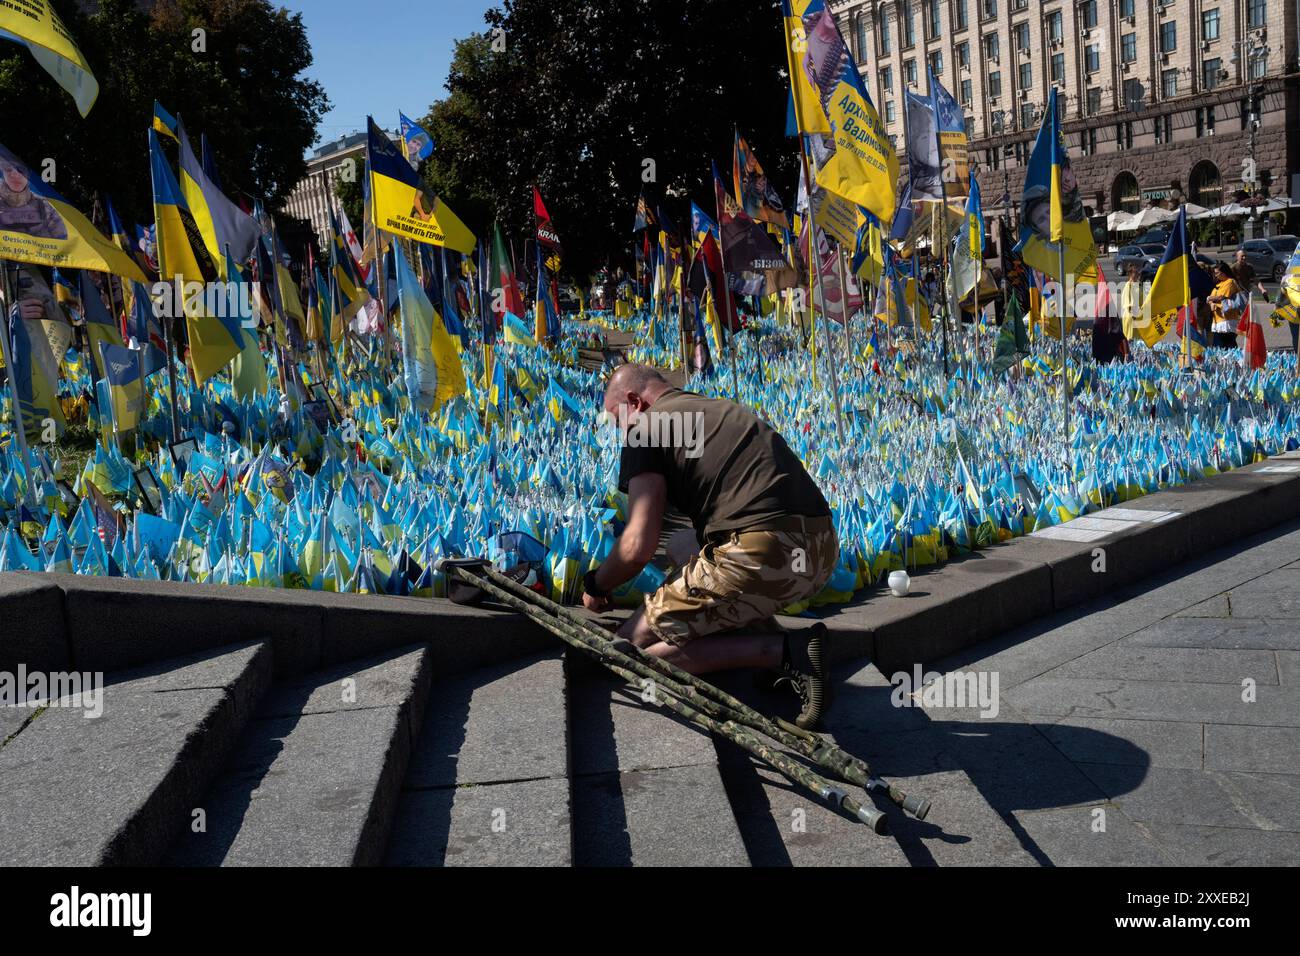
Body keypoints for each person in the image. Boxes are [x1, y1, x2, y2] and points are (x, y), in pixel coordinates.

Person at [583, 364, 839, 728]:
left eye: (615, 419)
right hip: (820, 553)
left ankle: (784, 653)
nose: (618, 430)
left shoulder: (645, 429)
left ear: (635, 402)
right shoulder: (719, 408)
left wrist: (597, 584)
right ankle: (765, 640)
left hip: (762, 553)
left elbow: (638, 545)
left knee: (629, 649)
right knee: (685, 550)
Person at [0, 156, 67, 240]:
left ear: (28, 174)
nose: (15, 174)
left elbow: (63, 242)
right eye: (8, 169)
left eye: (20, 169)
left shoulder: (45, 207)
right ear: (3, 173)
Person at [1207, 261, 1245, 349]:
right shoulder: (1219, 284)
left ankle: (1233, 361)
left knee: (1228, 344)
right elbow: (1214, 297)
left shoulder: (1230, 282)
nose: (1215, 275)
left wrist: (1209, 298)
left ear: (1224, 272)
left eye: (1217, 273)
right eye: (1215, 273)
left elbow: (1221, 297)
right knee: (1220, 345)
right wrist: (1211, 302)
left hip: (1227, 319)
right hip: (1217, 319)